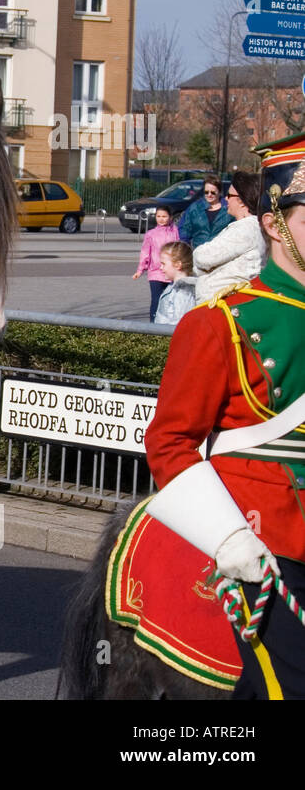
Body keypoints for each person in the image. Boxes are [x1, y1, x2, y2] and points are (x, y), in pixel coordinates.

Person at [145, 130, 305, 698]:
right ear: (274, 222)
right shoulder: (219, 324)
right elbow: (169, 443)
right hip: (267, 545)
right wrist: (230, 538)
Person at [194, 170, 265, 304]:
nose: (225, 199)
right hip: (225, 301)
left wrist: (201, 265)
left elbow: (202, 257)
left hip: (223, 304)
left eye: (229, 195)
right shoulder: (254, 226)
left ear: (242, 201)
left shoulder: (245, 229)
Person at [132, 202, 179, 321]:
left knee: (170, 299)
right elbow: (145, 253)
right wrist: (140, 270)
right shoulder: (151, 234)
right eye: (158, 216)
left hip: (171, 272)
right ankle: (153, 324)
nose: (161, 219)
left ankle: (168, 323)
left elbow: (179, 250)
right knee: (156, 299)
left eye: (164, 216)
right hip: (155, 272)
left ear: (170, 217)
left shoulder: (175, 232)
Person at [178, 175, 233, 248]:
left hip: (222, 253)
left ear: (219, 192)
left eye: (213, 192)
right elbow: (184, 229)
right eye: (206, 192)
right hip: (198, 252)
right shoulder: (194, 208)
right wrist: (185, 247)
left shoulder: (228, 208)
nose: (209, 195)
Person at [152, 241, 195, 325]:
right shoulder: (174, 287)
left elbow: (180, 323)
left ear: (178, 265)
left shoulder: (183, 292)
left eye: (163, 264)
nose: (160, 267)